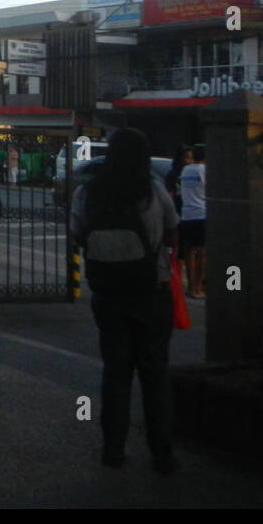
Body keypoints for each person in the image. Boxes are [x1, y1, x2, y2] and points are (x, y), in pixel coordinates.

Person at [70, 127, 179, 474]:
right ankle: (162, 453)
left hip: (108, 294)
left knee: (116, 373)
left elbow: (76, 235)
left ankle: (113, 449)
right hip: (151, 291)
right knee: (155, 375)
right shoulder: (154, 191)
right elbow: (174, 230)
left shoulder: (88, 193)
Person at [179, 144, 207, 298]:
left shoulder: (186, 170)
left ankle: (190, 286)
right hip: (202, 214)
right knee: (202, 252)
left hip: (186, 215)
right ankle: (197, 288)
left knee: (188, 252)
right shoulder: (205, 170)